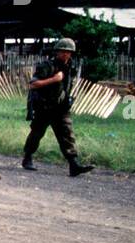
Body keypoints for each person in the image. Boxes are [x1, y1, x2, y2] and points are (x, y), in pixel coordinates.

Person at [23, 38, 94, 176]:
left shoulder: (70, 67)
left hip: (61, 108)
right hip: (44, 107)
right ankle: (27, 158)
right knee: (37, 134)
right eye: (63, 52)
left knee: (67, 134)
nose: (65, 54)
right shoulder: (47, 66)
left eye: (68, 52)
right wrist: (54, 80)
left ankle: (74, 165)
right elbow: (33, 84)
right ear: (57, 52)